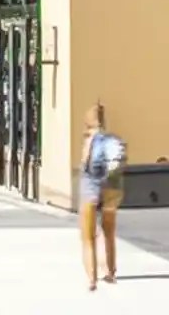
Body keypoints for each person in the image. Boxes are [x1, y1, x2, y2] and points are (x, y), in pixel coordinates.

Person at [79, 103, 124, 291]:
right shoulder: (111, 140)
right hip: (112, 189)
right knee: (109, 233)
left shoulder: (89, 140)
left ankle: (92, 279)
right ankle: (111, 272)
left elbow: (85, 166)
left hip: (91, 189)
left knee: (88, 237)